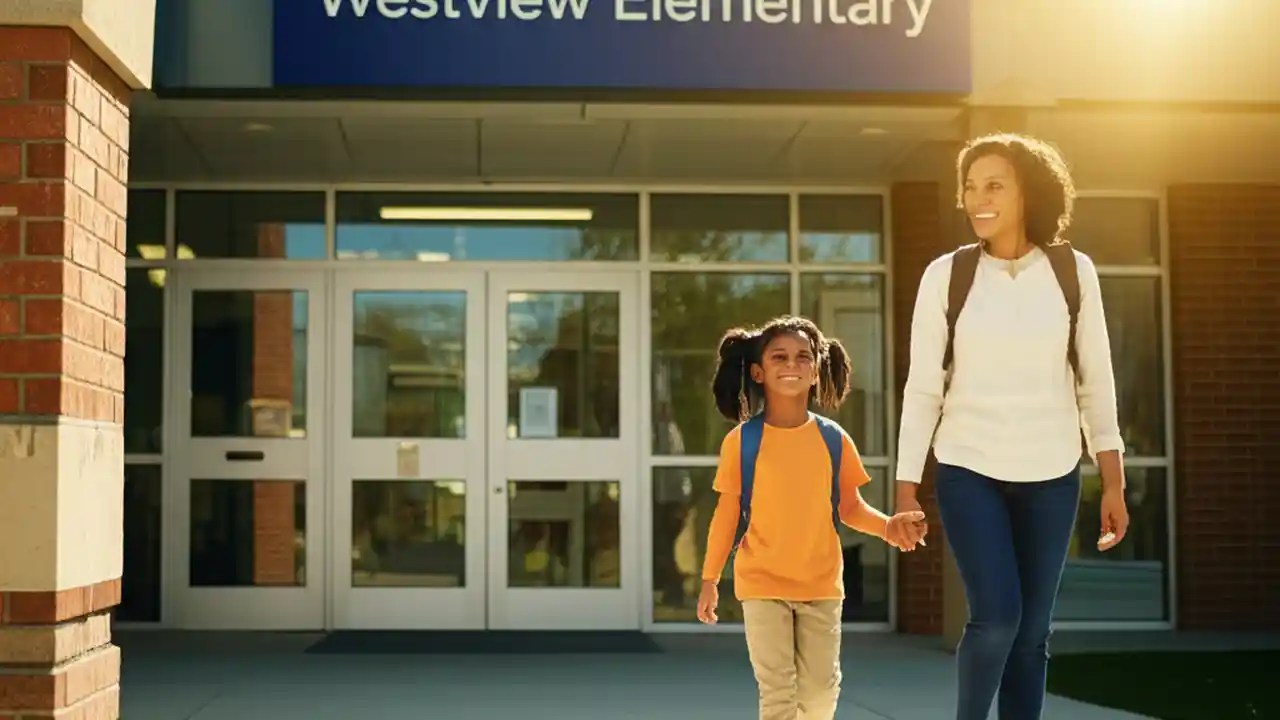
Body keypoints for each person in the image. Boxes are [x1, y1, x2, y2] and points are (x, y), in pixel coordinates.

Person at [895, 133, 1131, 720]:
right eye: (970, 187)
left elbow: (1095, 382)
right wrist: (904, 487)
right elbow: (923, 387)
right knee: (997, 616)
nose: (978, 197)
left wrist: (1114, 479)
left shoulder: (1073, 272)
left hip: (1051, 474)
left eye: (994, 184)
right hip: (968, 467)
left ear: (1030, 191)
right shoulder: (945, 277)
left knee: (1032, 634)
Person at [696, 315, 927, 720]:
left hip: (821, 585)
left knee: (820, 694)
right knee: (778, 696)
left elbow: (850, 508)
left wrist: (890, 527)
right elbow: (727, 515)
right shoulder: (742, 442)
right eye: (779, 356)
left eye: (803, 356)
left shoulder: (832, 439)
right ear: (758, 371)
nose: (791, 364)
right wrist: (710, 579)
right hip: (762, 583)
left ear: (817, 370)